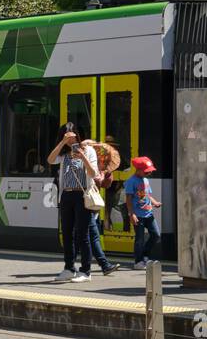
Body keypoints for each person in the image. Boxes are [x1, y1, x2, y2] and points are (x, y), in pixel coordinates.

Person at [47, 121, 98, 283]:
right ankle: (69, 268)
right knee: (67, 233)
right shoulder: (63, 154)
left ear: (77, 134)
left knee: (82, 234)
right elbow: (50, 160)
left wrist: (82, 157)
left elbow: (93, 173)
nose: (70, 140)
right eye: (66, 136)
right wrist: (62, 143)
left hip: (82, 195)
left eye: (72, 136)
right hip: (66, 196)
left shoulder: (88, 150)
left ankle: (86, 271)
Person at [83, 140, 120, 276]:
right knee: (93, 236)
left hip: (92, 204)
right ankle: (104, 265)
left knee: (88, 236)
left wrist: (108, 173)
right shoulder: (84, 162)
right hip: (84, 203)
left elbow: (105, 185)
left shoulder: (100, 166)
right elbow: (96, 180)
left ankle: (72, 265)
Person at [124, 155, 162, 268]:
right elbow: (129, 198)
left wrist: (154, 202)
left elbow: (146, 195)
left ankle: (145, 254)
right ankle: (138, 261)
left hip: (148, 213)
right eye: (146, 172)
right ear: (138, 170)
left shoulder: (145, 180)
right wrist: (132, 214)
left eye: (149, 172)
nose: (148, 174)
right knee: (139, 239)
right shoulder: (131, 181)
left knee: (156, 234)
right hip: (138, 215)